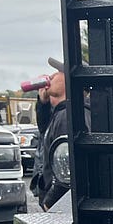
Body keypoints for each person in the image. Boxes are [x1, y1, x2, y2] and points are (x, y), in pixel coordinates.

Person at [36, 59, 70, 211]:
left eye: (58, 72)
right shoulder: (61, 113)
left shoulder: (67, 117)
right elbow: (45, 132)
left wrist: (50, 202)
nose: (51, 76)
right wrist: (42, 103)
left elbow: (67, 169)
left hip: (60, 204)